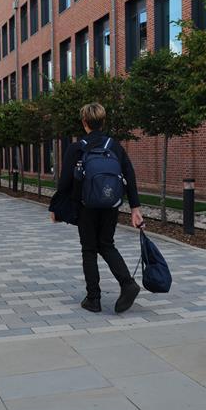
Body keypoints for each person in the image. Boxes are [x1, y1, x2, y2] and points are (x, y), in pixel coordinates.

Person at [48, 102, 143, 314]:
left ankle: (94, 299)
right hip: (111, 203)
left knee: (89, 249)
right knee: (107, 244)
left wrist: (55, 207)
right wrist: (135, 207)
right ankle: (127, 283)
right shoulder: (114, 145)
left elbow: (64, 183)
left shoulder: (76, 147)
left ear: (84, 122)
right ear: (103, 121)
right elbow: (129, 175)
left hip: (86, 207)